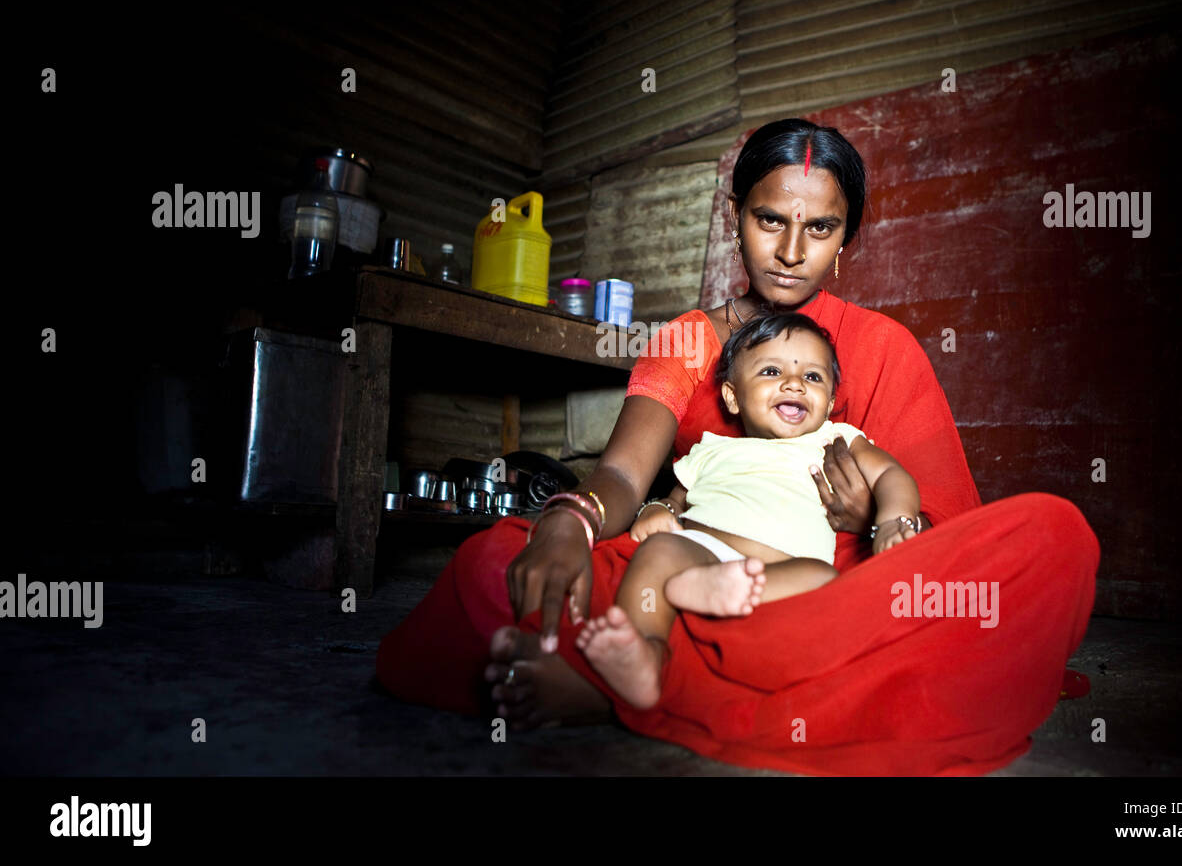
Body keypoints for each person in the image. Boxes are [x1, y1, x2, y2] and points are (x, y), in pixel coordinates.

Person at [376, 118, 1098, 776]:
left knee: (1053, 538)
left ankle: (620, 687)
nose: (790, 252)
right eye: (769, 220)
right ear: (735, 216)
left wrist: (871, 523)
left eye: (820, 229)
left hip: (829, 588)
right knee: (491, 563)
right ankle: (661, 677)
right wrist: (568, 521)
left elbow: (936, 522)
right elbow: (626, 475)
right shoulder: (689, 340)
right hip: (688, 564)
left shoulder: (885, 347)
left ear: (847, 239)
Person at [577, 311, 923, 710]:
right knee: (657, 553)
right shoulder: (711, 449)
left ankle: (708, 593)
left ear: (829, 403)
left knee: (826, 579)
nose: (794, 383)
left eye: (812, 377)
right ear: (732, 397)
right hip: (702, 549)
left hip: (786, 568)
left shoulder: (836, 438)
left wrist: (894, 520)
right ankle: (643, 652)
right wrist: (659, 509)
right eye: (772, 371)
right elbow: (676, 498)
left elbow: (891, 476)